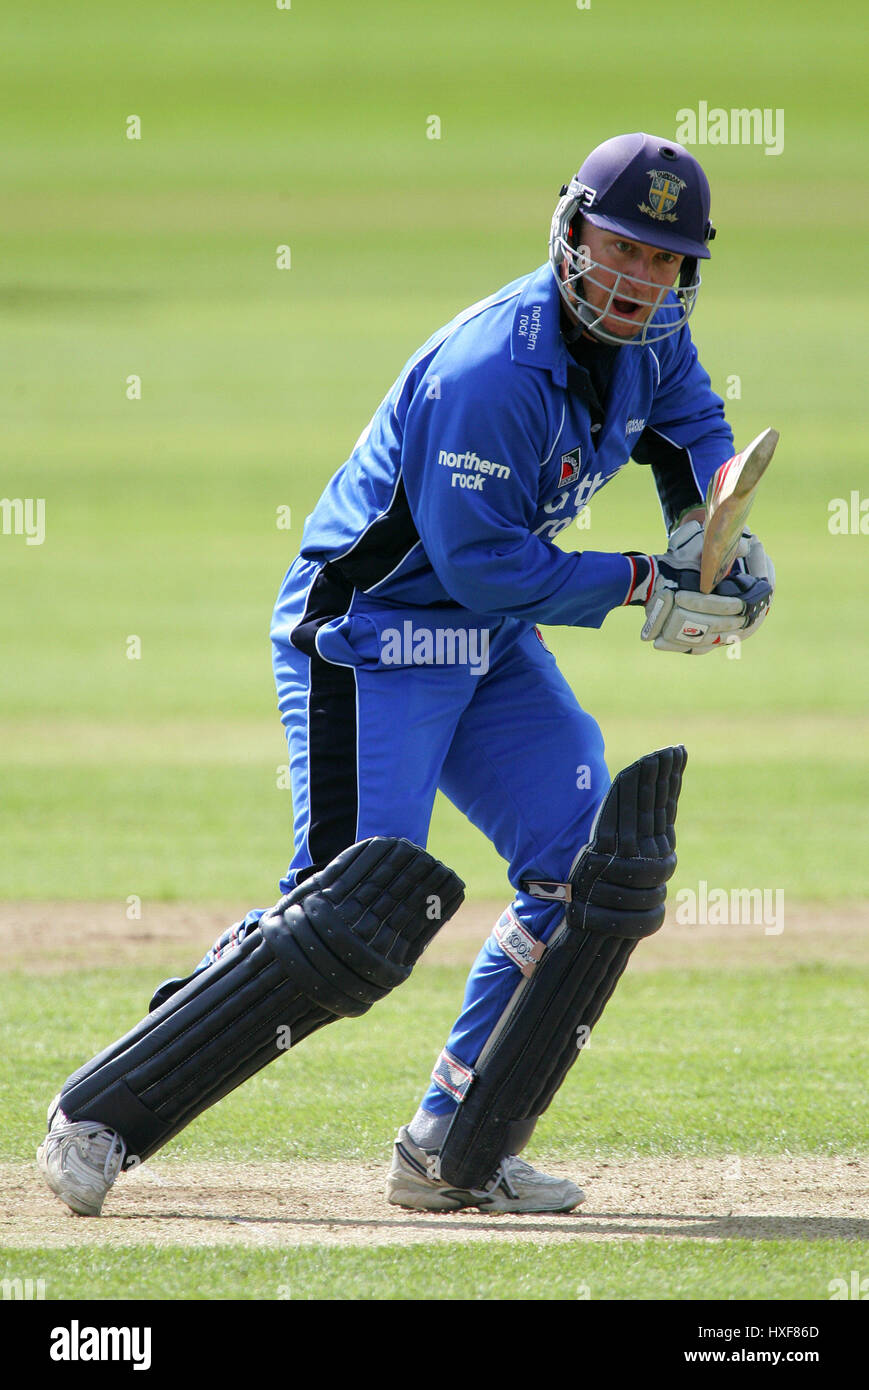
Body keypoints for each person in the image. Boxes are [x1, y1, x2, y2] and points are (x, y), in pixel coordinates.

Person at [37, 132, 774, 1219]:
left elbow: (695, 438)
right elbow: (479, 563)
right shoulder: (491, 371)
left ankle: (455, 1143)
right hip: (372, 634)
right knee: (345, 916)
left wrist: (715, 540)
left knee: (590, 875)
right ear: (568, 232)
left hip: (486, 640)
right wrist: (640, 584)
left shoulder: (657, 337)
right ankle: (100, 1112)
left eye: (661, 260)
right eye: (617, 246)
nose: (634, 278)